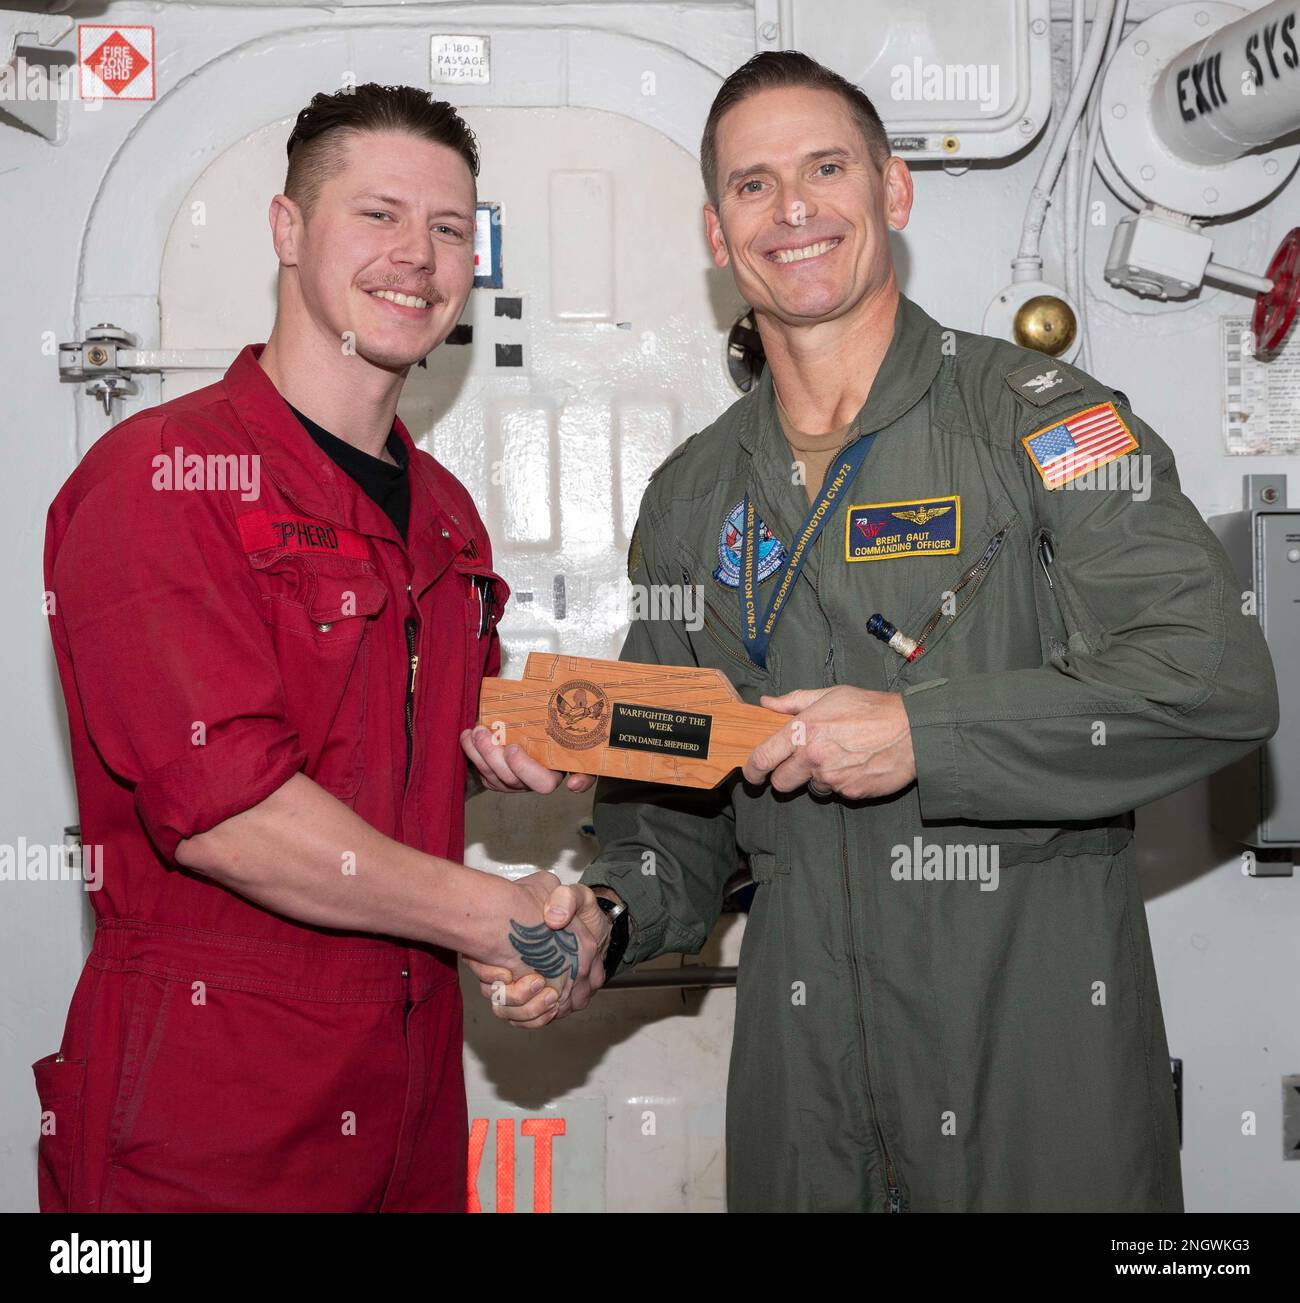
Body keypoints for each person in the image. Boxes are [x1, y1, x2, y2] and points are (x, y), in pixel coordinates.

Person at [470, 51, 1280, 1212]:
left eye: (825, 168)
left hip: (1034, 1054)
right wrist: (603, 919)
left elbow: (1209, 675)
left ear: (892, 194)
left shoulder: (1052, 425)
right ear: (717, 231)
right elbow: (668, 808)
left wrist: (925, 734)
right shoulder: (691, 497)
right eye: (753, 185)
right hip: (803, 1083)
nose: (792, 209)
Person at [37, 84, 602, 1214]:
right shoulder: (162, 479)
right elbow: (230, 816)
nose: (419, 258)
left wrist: (518, 747)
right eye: (378, 215)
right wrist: (503, 921)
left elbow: (382, 748)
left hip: (406, 1089)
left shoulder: (441, 513)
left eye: (451, 229)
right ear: (288, 231)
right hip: (212, 1103)